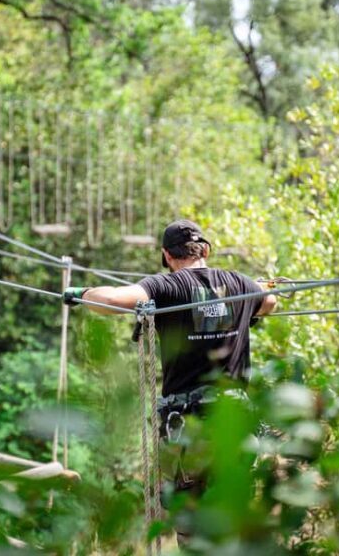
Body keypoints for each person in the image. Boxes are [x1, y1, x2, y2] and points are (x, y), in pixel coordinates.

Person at [63, 219, 277, 542]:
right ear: (205, 250)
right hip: (235, 425)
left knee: (190, 530)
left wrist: (82, 294)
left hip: (189, 431)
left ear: (166, 256)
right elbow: (270, 302)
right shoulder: (240, 283)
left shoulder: (167, 287)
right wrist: (254, 299)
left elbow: (109, 301)